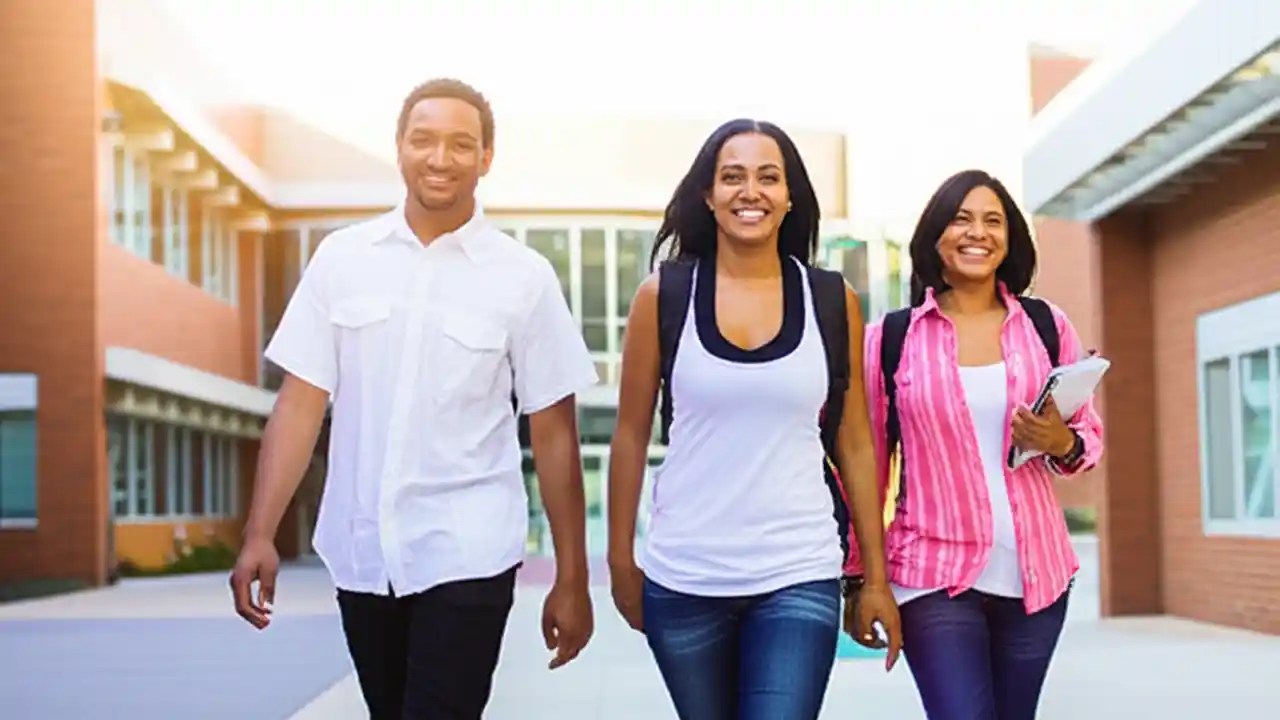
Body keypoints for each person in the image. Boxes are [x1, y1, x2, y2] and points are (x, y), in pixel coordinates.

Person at [229, 78, 599, 720]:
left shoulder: (524, 278)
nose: (440, 157)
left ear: (486, 158)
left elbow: (555, 433)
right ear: (398, 148)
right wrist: (260, 532)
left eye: (461, 144)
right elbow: (299, 405)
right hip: (363, 552)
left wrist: (572, 575)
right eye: (423, 139)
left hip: (469, 550)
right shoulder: (342, 259)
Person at [606, 118, 902, 720]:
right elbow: (631, 435)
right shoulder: (662, 297)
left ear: (789, 196)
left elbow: (857, 446)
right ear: (708, 196)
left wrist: (874, 576)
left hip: (798, 568)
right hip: (685, 576)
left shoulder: (829, 298)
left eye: (769, 177)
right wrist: (619, 562)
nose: (751, 192)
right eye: (732, 177)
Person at [849, 169, 1105, 719]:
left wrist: (1060, 440)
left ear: (1009, 238)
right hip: (932, 574)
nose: (977, 232)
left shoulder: (1044, 326)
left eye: (993, 220)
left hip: (1036, 576)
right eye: (961, 218)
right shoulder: (892, 340)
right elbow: (864, 465)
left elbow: (1086, 440)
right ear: (935, 235)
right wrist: (861, 579)